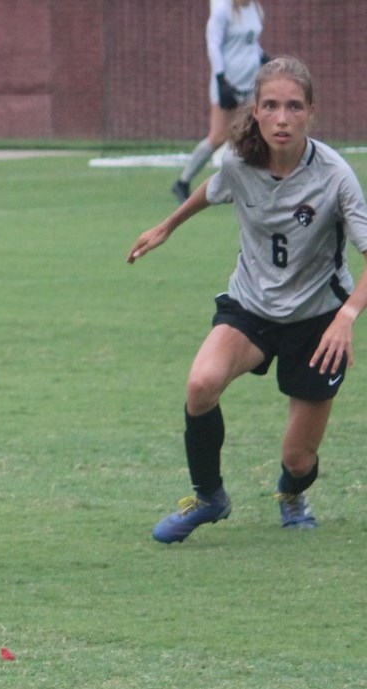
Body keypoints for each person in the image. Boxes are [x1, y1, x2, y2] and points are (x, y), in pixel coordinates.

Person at [128, 56, 367, 544]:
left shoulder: (336, 176)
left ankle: (292, 493)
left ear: (310, 113)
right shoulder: (239, 161)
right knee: (201, 384)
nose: (283, 118)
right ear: (255, 111)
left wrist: (347, 315)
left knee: (298, 459)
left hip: (318, 320)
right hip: (251, 307)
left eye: (294, 107)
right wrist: (165, 227)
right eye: (272, 106)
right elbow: (212, 190)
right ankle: (210, 497)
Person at [171, 0, 269, 204]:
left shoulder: (255, 8)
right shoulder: (223, 9)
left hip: (250, 82)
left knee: (253, 133)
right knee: (218, 137)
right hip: (228, 83)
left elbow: (252, 42)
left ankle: (250, 184)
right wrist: (220, 79)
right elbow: (213, 44)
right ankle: (183, 182)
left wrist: (263, 58)